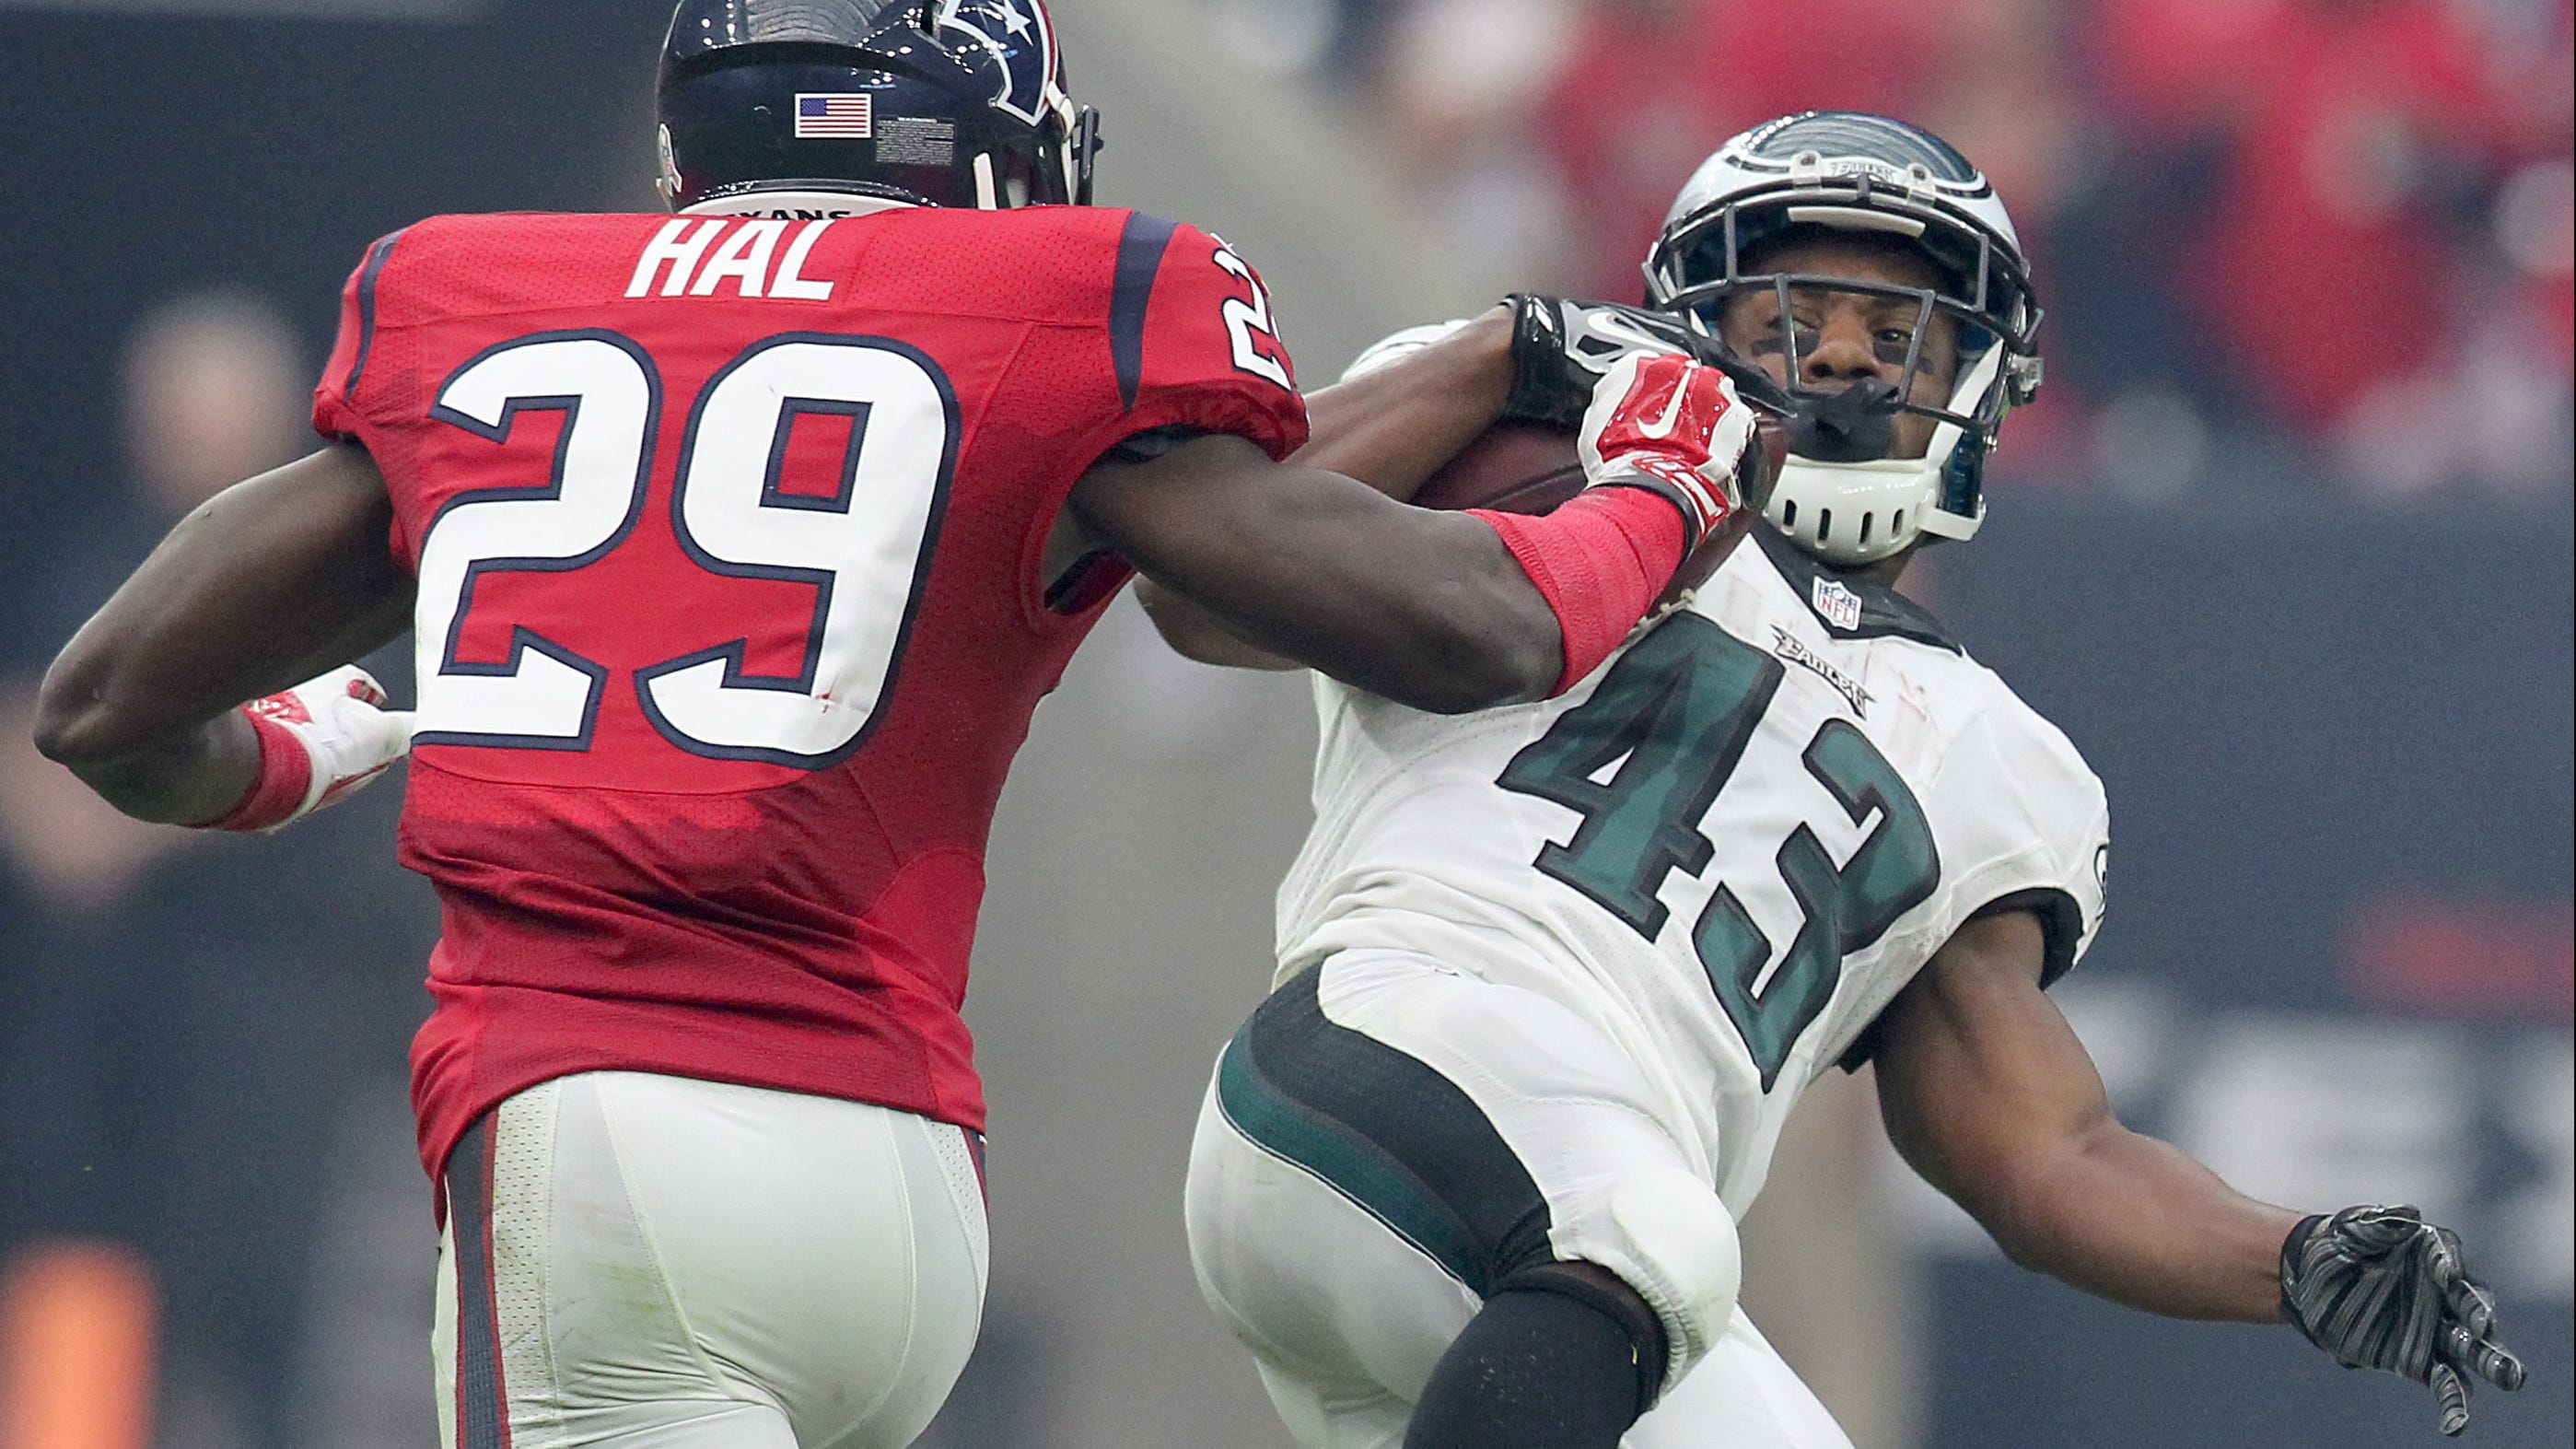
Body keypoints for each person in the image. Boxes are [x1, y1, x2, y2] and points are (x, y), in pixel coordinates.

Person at [29, 4, 1777, 1446]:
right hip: (902, 1191)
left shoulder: (469, 298)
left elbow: (107, 706)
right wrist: (1668, 489)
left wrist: (288, 752)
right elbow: (1478, 617)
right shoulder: (1057, 311)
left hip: (600, 1145)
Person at [1153, 112, 2528, 1449]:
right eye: (1791, 319)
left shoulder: (1988, 753)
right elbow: (1202, 582)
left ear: (1981, 373)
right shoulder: (1538, 459)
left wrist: (2286, 1256)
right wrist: (1503, 354)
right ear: (1693, 323)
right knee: (1663, 1239)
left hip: (1562, 1279)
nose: (1848, 363)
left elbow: (2044, 1153)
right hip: (1387, 1064)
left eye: (1900, 329)